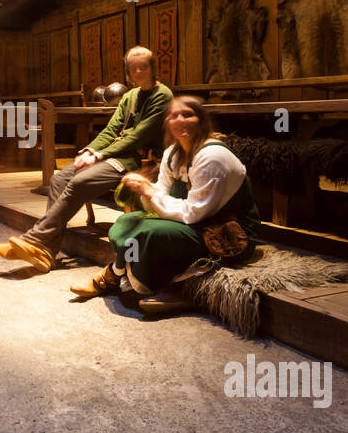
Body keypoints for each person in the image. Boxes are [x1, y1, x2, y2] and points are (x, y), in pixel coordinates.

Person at [0, 45, 172, 272]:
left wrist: (100, 154)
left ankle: (35, 239)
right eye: (133, 68)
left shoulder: (162, 95)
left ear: (152, 68)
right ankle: (47, 251)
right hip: (114, 154)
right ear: (127, 71)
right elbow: (110, 129)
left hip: (137, 159)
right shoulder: (130, 96)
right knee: (59, 180)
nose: (138, 72)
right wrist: (89, 151)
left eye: (143, 67)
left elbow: (140, 135)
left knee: (80, 181)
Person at [71, 95, 260, 298]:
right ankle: (125, 274)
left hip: (226, 233)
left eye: (187, 115)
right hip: (196, 223)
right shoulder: (173, 153)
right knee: (126, 221)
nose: (179, 120)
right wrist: (144, 188)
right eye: (173, 116)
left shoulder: (212, 156)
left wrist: (150, 192)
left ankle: (118, 277)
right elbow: (162, 193)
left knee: (147, 233)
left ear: (202, 121)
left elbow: (193, 212)